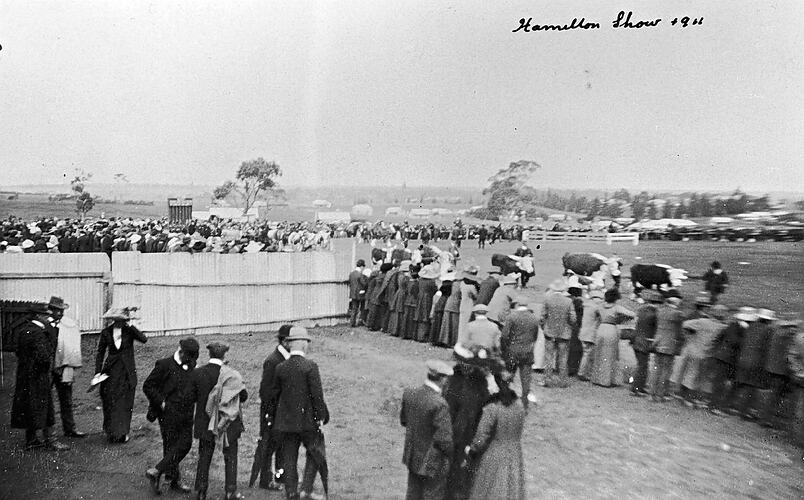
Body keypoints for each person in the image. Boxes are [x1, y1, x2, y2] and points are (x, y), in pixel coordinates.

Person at [267, 327, 330, 500]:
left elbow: (274, 396)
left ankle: (291, 492)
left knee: (289, 458)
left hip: (286, 422)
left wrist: (272, 417)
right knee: (315, 453)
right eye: (307, 343)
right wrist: (321, 418)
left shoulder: (281, 368)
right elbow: (317, 396)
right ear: (302, 344)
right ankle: (306, 489)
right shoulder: (310, 367)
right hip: (307, 422)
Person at [143, 337, 200, 495]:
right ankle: (174, 480)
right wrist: (161, 402)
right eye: (188, 358)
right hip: (168, 413)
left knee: (185, 444)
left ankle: (157, 471)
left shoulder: (191, 364)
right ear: (181, 352)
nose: (191, 362)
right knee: (171, 445)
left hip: (187, 413)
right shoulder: (164, 365)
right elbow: (148, 385)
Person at [193, 342, 248, 500]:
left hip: (206, 421)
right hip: (228, 423)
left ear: (209, 354)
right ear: (225, 355)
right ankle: (230, 491)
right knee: (231, 456)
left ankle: (201, 491)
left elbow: (191, 396)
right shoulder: (233, 374)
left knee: (204, 456)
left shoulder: (198, 373)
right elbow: (243, 397)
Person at [10, 303, 69, 451]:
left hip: (24, 375)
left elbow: (17, 351)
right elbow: (43, 356)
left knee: (29, 407)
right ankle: (50, 439)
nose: (48, 318)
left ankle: (31, 440)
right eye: (46, 315)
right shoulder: (39, 333)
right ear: (39, 316)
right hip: (38, 376)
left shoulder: (24, 330)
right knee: (46, 406)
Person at [465, 371, 526, 500]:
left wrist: (472, 451)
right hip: (515, 452)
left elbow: (482, 436)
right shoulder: (519, 405)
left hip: (495, 453)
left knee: (491, 489)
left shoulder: (493, 407)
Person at [400, 359, 454, 500]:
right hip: (433, 462)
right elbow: (444, 441)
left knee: (413, 494)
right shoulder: (440, 404)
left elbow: (404, 421)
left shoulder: (409, 393)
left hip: (413, 456)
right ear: (442, 379)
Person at [95, 307, 148, 443]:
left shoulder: (129, 331)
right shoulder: (106, 332)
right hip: (111, 371)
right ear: (113, 320)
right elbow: (100, 353)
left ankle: (123, 432)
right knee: (111, 401)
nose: (120, 322)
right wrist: (97, 373)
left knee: (125, 402)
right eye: (117, 320)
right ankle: (111, 432)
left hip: (127, 372)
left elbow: (144, 339)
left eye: (122, 320)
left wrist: (132, 326)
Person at [252, 325, 292, 490]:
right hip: (272, 412)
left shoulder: (289, 359)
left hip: (284, 412)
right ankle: (265, 480)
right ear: (284, 341)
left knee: (282, 446)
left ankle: (280, 477)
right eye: (292, 341)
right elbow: (265, 391)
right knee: (269, 447)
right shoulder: (273, 361)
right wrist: (270, 413)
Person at [672, 304, 728, 406]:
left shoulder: (702, 321)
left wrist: (689, 336)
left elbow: (685, 324)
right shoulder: (722, 327)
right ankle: (688, 398)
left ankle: (680, 394)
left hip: (692, 349)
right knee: (695, 376)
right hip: (704, 353)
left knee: (686, 373)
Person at [48, 296, 86, 438]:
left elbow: (72, 347)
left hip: (64, 366)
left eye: (62, 310)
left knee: (66, 398)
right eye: (57, 310)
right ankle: (47, 432)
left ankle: (70, 428)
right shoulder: (45, 325)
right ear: (51, 310)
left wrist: (68, 366)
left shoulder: (69, 326)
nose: (60, 313)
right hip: (48, 367)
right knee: (45, 398)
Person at [707, 307, 752, 415]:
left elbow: (718, 338)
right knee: (720, 383)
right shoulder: (737, 329)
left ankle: (715, 404)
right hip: (726, 359)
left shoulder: (731, 326)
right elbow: (734, 342)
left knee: (721, 382)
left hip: (724, 357)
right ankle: (714, 406)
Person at [731, 308, 774, 419]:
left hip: (742, 359)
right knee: (751, 387)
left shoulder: (751, 326)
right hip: (755, 362)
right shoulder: (768, 330)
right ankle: (744, 412)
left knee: (739, 383)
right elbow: (767, 348)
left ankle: (731, 405)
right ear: (768, 320)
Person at [589, 289, 635, 388]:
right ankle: (606, 380)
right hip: (611, 329)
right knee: (609, 355)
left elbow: (595, 312)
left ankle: (596, 378)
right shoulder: (616, 307)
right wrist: (621, 319)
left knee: (599, 354)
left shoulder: (600, 306)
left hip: (601, 328)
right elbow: (632, 314)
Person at [501, 299, 539, 409]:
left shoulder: (512, 317)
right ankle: (524, 404)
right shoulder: (533, 318)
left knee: (508, 375)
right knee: (526, 379)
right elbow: (535, 336)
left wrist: (506, 347)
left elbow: (504, 335)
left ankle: (505, 400)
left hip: (513, 350)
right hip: (527, 351)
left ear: (517, 305)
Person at [540, 280, 577, 387]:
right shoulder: (568, 301)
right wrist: (569, 326)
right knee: (563, 358)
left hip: (550, 332)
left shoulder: (548, 300)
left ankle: (547, 379)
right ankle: (563, 381)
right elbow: (573, 318)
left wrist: (544, 327)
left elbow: (542, 316)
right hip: (564, 332)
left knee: (548, 358)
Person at [649, 296, 685, 401]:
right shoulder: (677, 314)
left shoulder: (659, 311)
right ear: (676, 303)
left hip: (658, 342)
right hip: (670, 344)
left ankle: (651, 393)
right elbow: (679, 332)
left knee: (656, 369)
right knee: (666, 371)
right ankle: (660, 395)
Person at [786, 320, 804, 459]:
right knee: (799, 411)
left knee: (799, 411)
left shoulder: (799, 338)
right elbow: (791, 356)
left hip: (801, 377)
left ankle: (797, 440)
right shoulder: (800, 339)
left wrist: (797, 371)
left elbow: (791, 356)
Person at [577, 290, 604, 382]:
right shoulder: (596, 308)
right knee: (588, 354)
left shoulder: (586, 306)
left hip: (583, 332)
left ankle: (583, 372)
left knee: (585, 353)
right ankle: (583, 373)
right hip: (591, 333)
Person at [457, 266, 481, 339]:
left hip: (463, 304)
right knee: (467, 322)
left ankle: (460, 338)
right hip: (469, 305)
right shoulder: (471, 287)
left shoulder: (462, 284)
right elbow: (476, 296)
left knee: (462, 323)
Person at [348, 259, 368, 327]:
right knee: (361, 308)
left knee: (354, 308)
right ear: (361, 266)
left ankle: (352, 322)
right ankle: (359, 321)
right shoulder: (360, 275)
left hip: (353, 293)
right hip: (360, 294)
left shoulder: (351, 274)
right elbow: (364, 283)